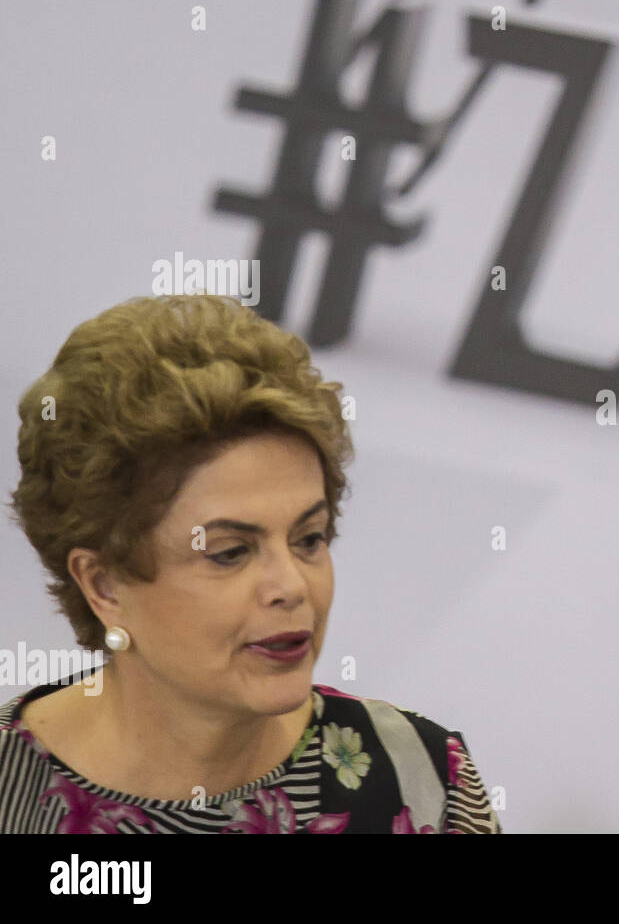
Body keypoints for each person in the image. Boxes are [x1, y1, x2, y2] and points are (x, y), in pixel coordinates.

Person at [0, 294, 501, 833]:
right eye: (231, 553)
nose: (291, 587)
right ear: (104, 586)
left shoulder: (419, 776)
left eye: (308, 539)